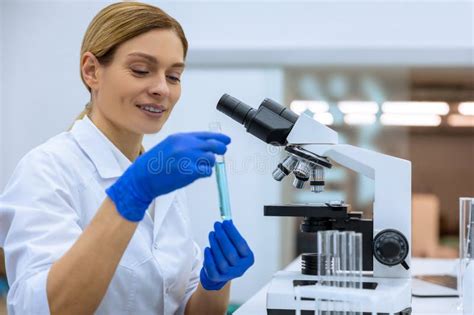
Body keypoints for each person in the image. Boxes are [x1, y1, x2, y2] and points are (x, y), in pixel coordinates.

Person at [0, 2, 254, 314]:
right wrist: (130, 195)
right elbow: (46, 308)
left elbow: (185, 307)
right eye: (141, 71)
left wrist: (214, 284)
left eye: (174, 76)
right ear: (91, 70)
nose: (162, 89)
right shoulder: (46, 171)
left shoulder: (162, 181)